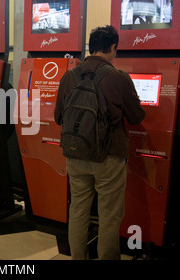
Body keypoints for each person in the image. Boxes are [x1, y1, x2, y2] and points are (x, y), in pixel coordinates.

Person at [54, 25, 145, 260]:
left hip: (75, 155)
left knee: (78, 211)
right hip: (109, 156)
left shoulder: (69, 76)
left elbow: (58, 117)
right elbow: (136, 117)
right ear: (113, 47)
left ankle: (78, 257)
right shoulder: (118, 77)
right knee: (109, 215)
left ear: (90, 47)